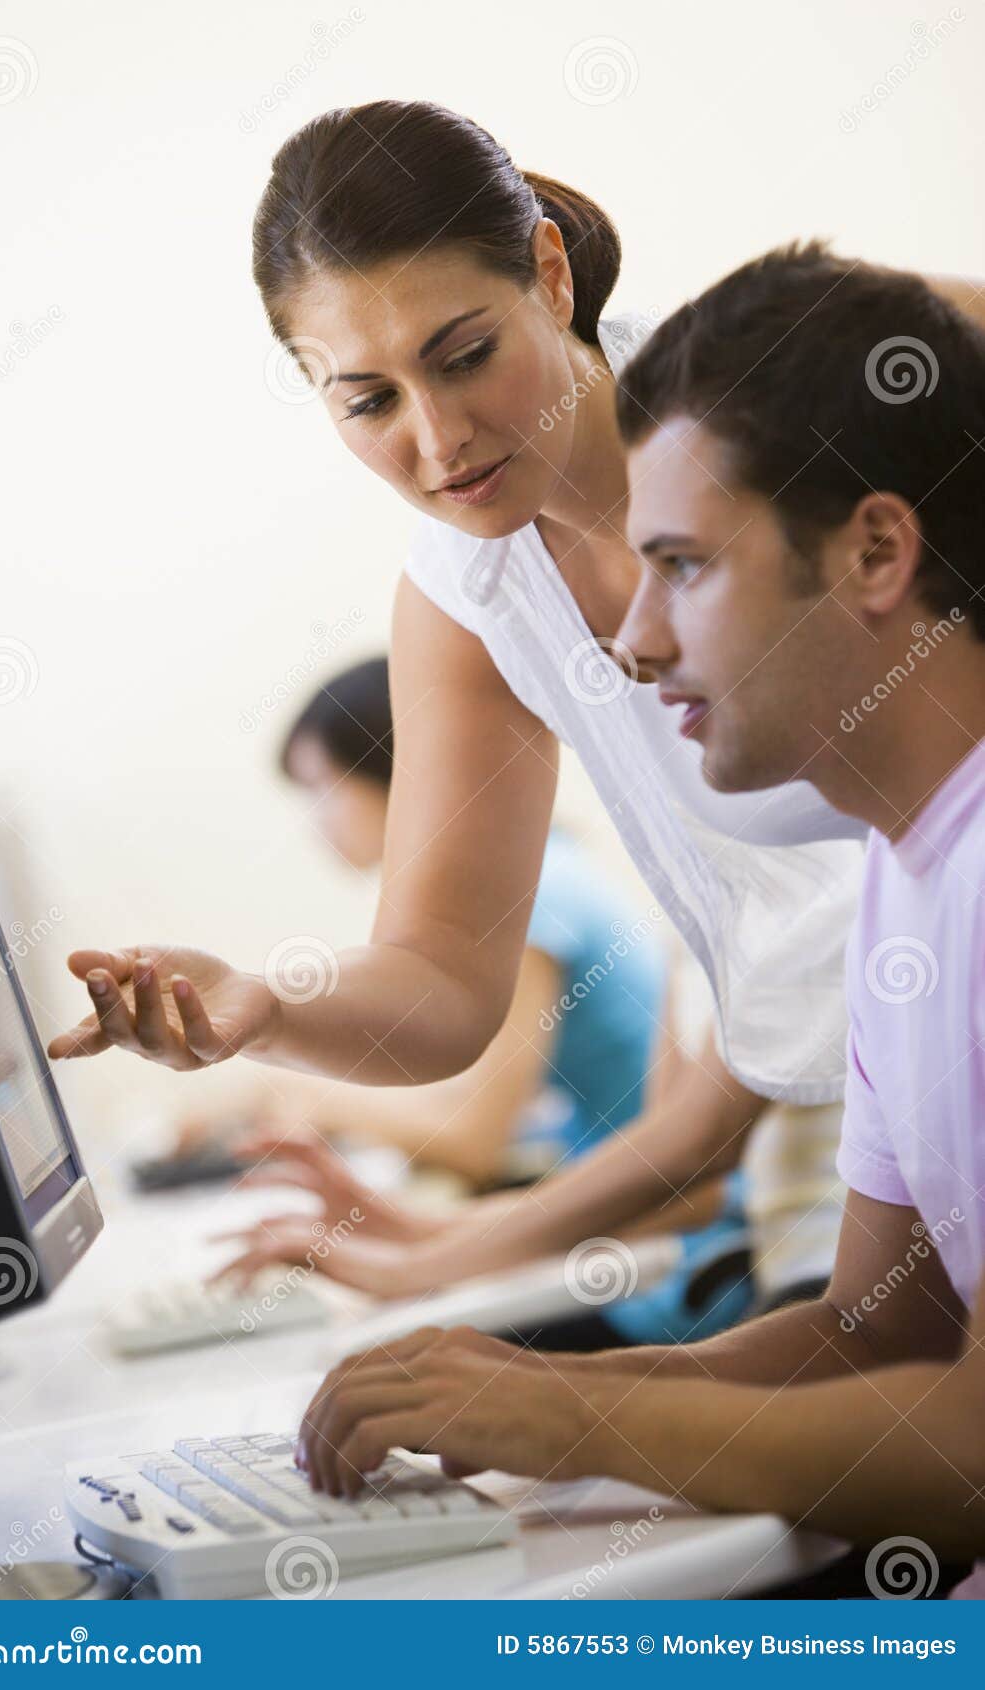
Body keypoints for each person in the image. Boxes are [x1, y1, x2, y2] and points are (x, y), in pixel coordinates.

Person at [49, 102, 890, 1323]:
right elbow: (441, 984)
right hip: (835, 1136)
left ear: (549, 273)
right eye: (367, 400)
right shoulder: (465, 590)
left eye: (460, 355)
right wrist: (265, 1006)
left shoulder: (768, 416)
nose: (438, 441)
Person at [292, 245, 985, 1598]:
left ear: (876, 550)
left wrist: (569, 1413)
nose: (631, 641)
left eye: (679, 567)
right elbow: (869, 1333)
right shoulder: (901, 883)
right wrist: (513, 1397)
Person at [203, 655, 759, 1346]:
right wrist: (409, 1232)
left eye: (322, 789)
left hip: (672, 1273)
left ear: (395, 770)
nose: (316, 823)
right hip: (631, 1225)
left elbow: (471, 1137)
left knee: (360, 1361)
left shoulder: (538, 901)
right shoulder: (558, 877)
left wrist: (304, 1101)